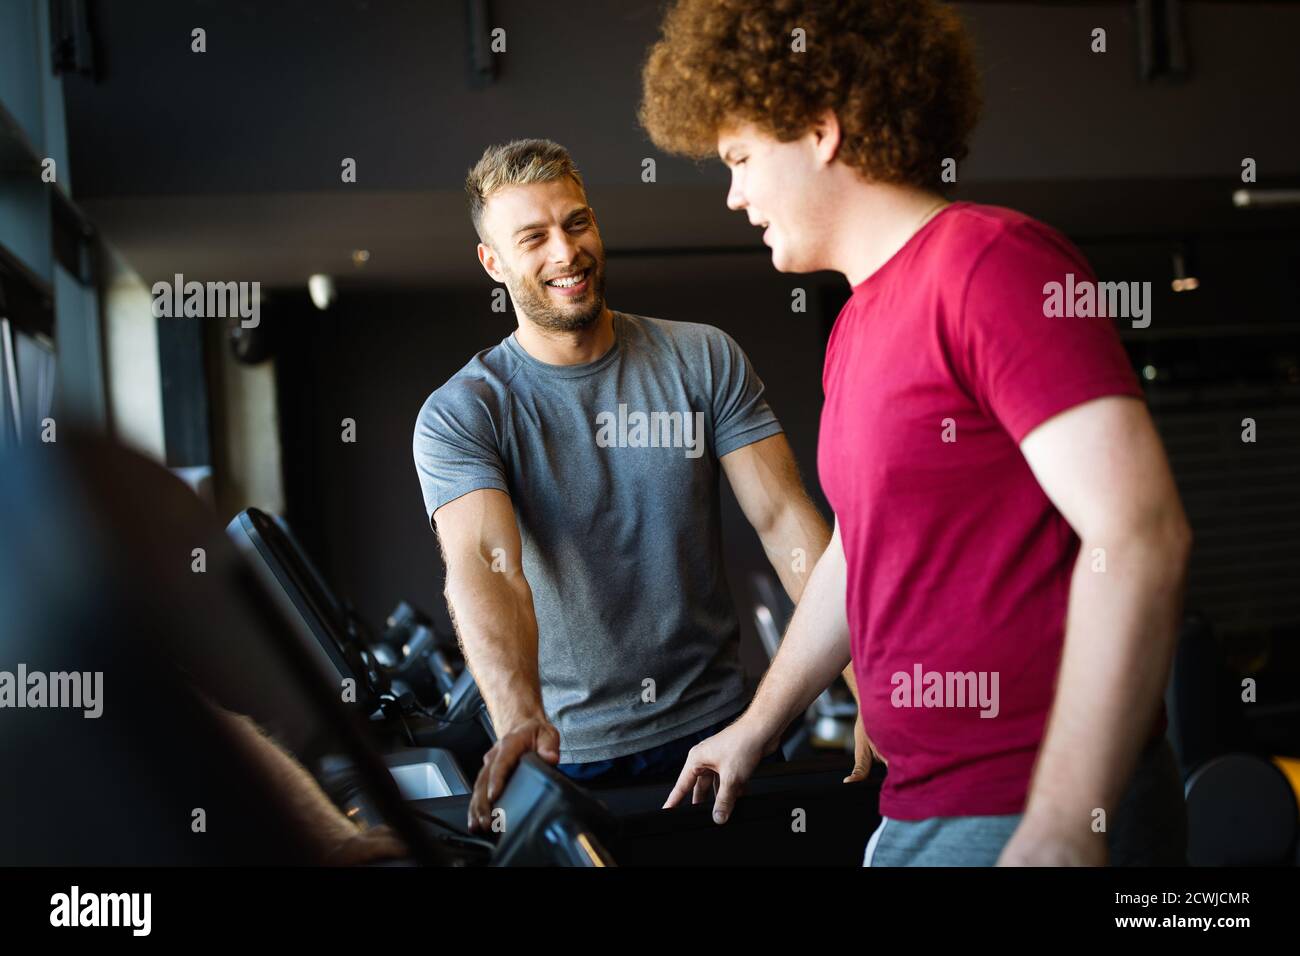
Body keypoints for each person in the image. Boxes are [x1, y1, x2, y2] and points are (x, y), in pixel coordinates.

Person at [640, 0, 1191, 866]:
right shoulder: (857, 326)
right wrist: (758, 725)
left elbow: (1140, 533)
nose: (734, 193)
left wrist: (1061, 821)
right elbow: (861, 549)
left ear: (821, 130)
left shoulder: (992, 264)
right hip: (917, 805)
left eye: (741, 158)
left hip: (1030, 806)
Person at [412, 139, 843, 833]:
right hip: (571, 756)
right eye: (533, 237)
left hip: (726, 731)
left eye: (576, 222)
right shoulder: (466, 412)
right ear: (494, 263)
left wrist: (867, 688)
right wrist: (520, 716)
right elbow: (490, 567)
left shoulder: (700, 356)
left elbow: (784, 520)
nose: (565, 252)